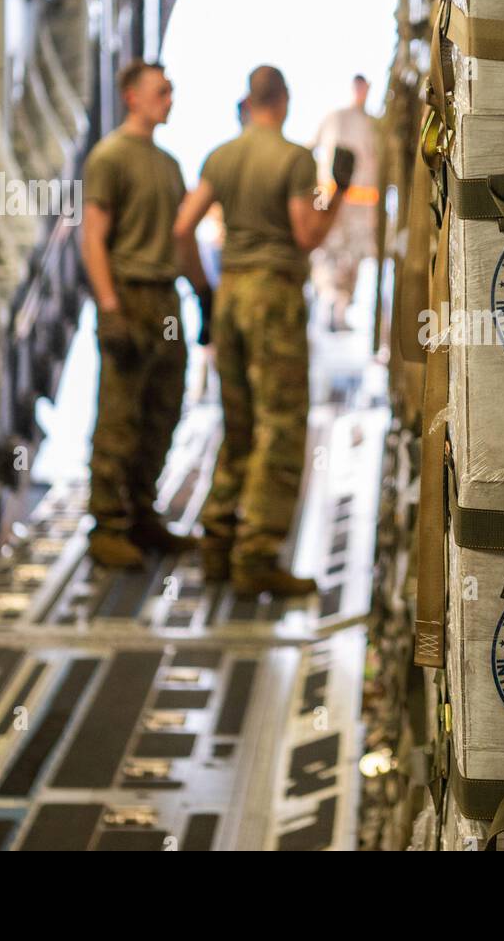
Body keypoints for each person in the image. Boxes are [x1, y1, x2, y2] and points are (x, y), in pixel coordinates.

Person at [173, 66, 347, 597]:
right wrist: (336, 195)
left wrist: (204, 290)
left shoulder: (221, 156)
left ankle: (218, 542)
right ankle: (257, 554)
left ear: (250, 101)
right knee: (281, 422)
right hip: (273, 296)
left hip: (230, 295)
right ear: (284, 102)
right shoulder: (295, 158)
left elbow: (184, 229)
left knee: (238, 418)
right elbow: (306, 232)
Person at [80, 60, 208, 569]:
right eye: (161, 91)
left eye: (172, 91)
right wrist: (109, 308)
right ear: (132, 96)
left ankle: (141, 514)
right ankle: (106, 526)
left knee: (162, 408)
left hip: (164, 301)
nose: (170, 99)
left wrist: (203, 293)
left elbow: (182, 237)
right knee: (119, 416)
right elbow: (93, 236)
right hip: (129, 297)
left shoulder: (169, 164)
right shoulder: (110, 157)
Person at [311, 75, 378, 332]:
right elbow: (312, 148)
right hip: (334, 206)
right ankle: (329, 304)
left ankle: (341, 310)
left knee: (353, 262)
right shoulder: (334, 118)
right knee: (329, 258)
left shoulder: (373, 125)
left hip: (361, 212)